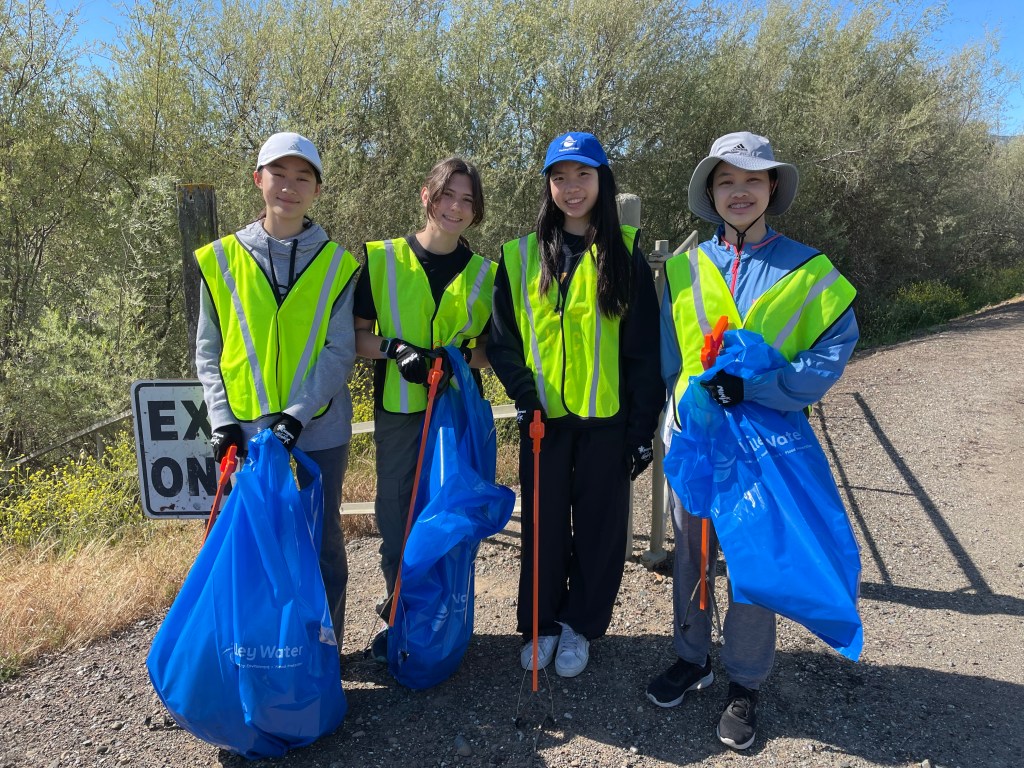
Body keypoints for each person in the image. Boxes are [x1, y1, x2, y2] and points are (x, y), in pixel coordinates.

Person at [648, 131, 858, 750]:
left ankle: (745, 680)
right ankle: (692, 655)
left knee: (751, 558)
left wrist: (765, 389)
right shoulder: (686, 268)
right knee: (691, 549)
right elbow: (670, 352)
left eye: (752, 180)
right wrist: (681, 407)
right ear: (711, 194)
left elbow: (832, 349)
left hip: (767, 443)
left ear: (772, 188)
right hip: (695, 437)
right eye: (726, 181)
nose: (739, 191)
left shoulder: (808, 270)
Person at [488, 132, 662, 678]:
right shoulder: (519, 256)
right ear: (548, 185)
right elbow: (502, 339)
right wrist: (525, 396)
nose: (571, 187)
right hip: (543, 423)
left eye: (582, 175)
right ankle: (539, 623)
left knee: (598, 530)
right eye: (560, 177)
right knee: (541, 528)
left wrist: (639, 431)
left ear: (602, 181)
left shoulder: (624, 253)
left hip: (606, 424)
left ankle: (580, 626)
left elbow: (642, 351)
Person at [194, 131, 360, 649]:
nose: (289, 187)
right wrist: (221, 420)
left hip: (318, 432)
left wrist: (296, 416)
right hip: (245, 433)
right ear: (258, 180)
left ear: (316, 189)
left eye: (302, 178)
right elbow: (208, 351)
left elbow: (340, 352)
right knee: (252, 545)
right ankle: (259, 652)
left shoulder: (338, 264)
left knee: (321, 542)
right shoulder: (219, 260)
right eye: (279, 175)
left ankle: (322, 653)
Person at [353, 157, 495, 661]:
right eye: (446, 196)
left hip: (456, 417)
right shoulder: (382, 260)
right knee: (397, 515)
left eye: (466, 200)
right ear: (425, 196)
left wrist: (453, 359)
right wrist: (395, 350)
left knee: (449, 515)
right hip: (400, 411)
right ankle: (401, 615)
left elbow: (488, 351)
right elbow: (358, 337)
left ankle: (444, 615)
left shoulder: (485, 275)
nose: (455, 207)